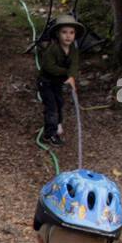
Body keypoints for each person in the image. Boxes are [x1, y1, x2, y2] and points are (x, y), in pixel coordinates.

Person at [38, 13, 83, 146]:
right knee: (51, 107)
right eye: (64, 32)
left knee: (59, 103)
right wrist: (66, 73)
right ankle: (49, 134)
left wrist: (72, 77)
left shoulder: (73, 50)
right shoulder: (52, 49)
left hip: (58, 83)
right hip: (46, 82)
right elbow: (49, 67)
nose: (68, 36)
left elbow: (74, 64)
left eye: (71, 32)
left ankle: (57, 124)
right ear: (58, 34)